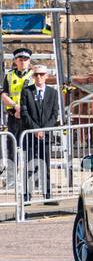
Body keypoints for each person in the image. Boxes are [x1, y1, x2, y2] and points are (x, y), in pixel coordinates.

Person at [19, 65, 60, 202]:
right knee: (29, 164)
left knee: (46, 164)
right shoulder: (26, 92)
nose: (39, 77)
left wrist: (44, 130)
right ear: (33, 77)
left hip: (46, 135)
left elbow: (54, 115)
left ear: (47, 76)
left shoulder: (53, 93)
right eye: (36, 75)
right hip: (31, 134)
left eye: (42, 74)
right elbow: (25, 113)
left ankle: (48, 194)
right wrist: (36, 129)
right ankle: (27, 195)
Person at [3, 47, 32, 148]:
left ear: (29, 61)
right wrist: (16, 107)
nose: (23, 62)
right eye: (20, 60)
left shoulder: (34, 75)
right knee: (12, 145)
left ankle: (29, 164)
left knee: (29, 145)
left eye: (25, 60)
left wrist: (22, 110)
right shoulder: (9, 75)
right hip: (14, 115)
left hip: (29, 115)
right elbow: (4, 95)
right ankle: (13, 164)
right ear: (16, 61)